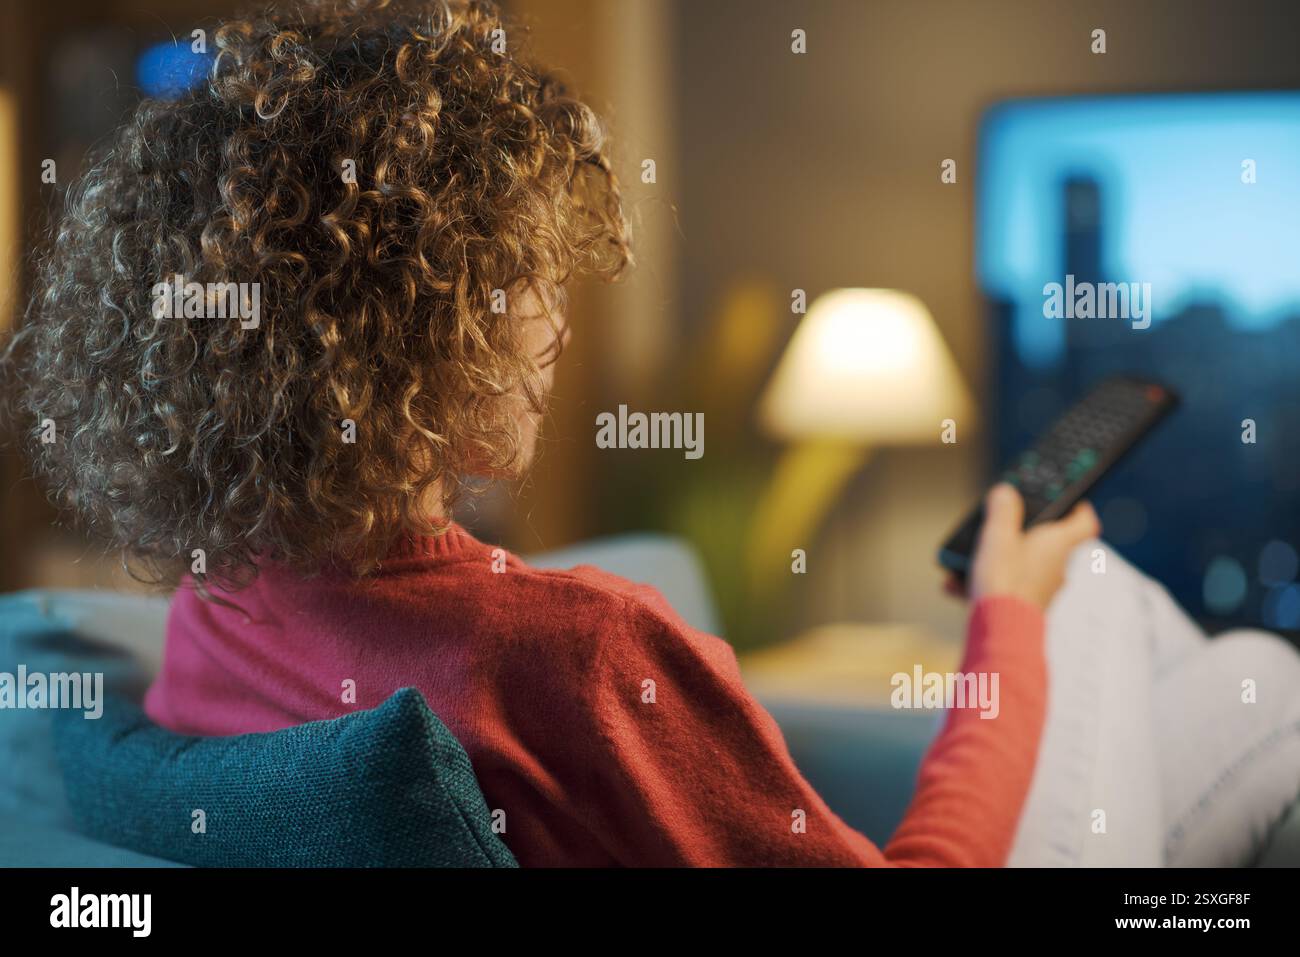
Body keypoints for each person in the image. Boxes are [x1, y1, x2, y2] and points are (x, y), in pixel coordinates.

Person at [6, 0, 1299, 867]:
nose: (557, 330)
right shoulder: (582, 653)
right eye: (520, 279)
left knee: (1171, 649)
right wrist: (1006, 618)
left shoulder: (217, 597)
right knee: (1215, 660)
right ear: (400, 334)